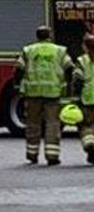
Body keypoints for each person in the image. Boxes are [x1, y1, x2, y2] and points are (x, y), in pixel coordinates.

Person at [15, 25, 74, 165]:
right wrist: (66, 84)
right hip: (53, 93)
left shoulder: (28, 50)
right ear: (50, 36)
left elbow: (18, 69)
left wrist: (18, 85)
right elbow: (69, 68)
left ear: (37, 36)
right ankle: (52, 156)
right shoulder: (59, 51)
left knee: (33, 124)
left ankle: (32, 154)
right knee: (52, 123)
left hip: (33, 93)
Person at [73, 34, 94, 164]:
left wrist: (75, 96)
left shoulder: (82, 61)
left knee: (85, 125)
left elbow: (77, 80)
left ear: (85, 47)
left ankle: (90, 146)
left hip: (87, 98)